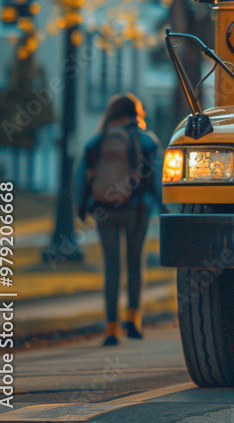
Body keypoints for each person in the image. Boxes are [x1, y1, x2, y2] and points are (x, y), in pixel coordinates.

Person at [75, 94, 163, 346]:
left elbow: (81, 178)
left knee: (111, 269)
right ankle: (133, 319)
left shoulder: (97, 141)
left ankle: (111, 328)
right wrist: (163, 207)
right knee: (135, 265)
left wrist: (82, 208)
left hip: (105, 211)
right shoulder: (147, 141)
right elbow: (158, 178)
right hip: (137, 210)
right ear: (136, 113)